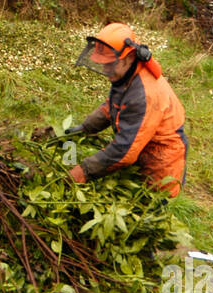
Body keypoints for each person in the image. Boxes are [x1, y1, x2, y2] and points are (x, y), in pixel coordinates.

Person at [67, 23, 188, 197]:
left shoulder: (143, 95)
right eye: (104, 65)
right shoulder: (126, 75)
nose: (106, 70)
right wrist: (84, 128)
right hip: (142, 147)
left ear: (129, 58)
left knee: (147, 208)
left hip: (160, 160)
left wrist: (83, 171)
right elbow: (112, 106)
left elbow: (124, 151)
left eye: (110, 64)